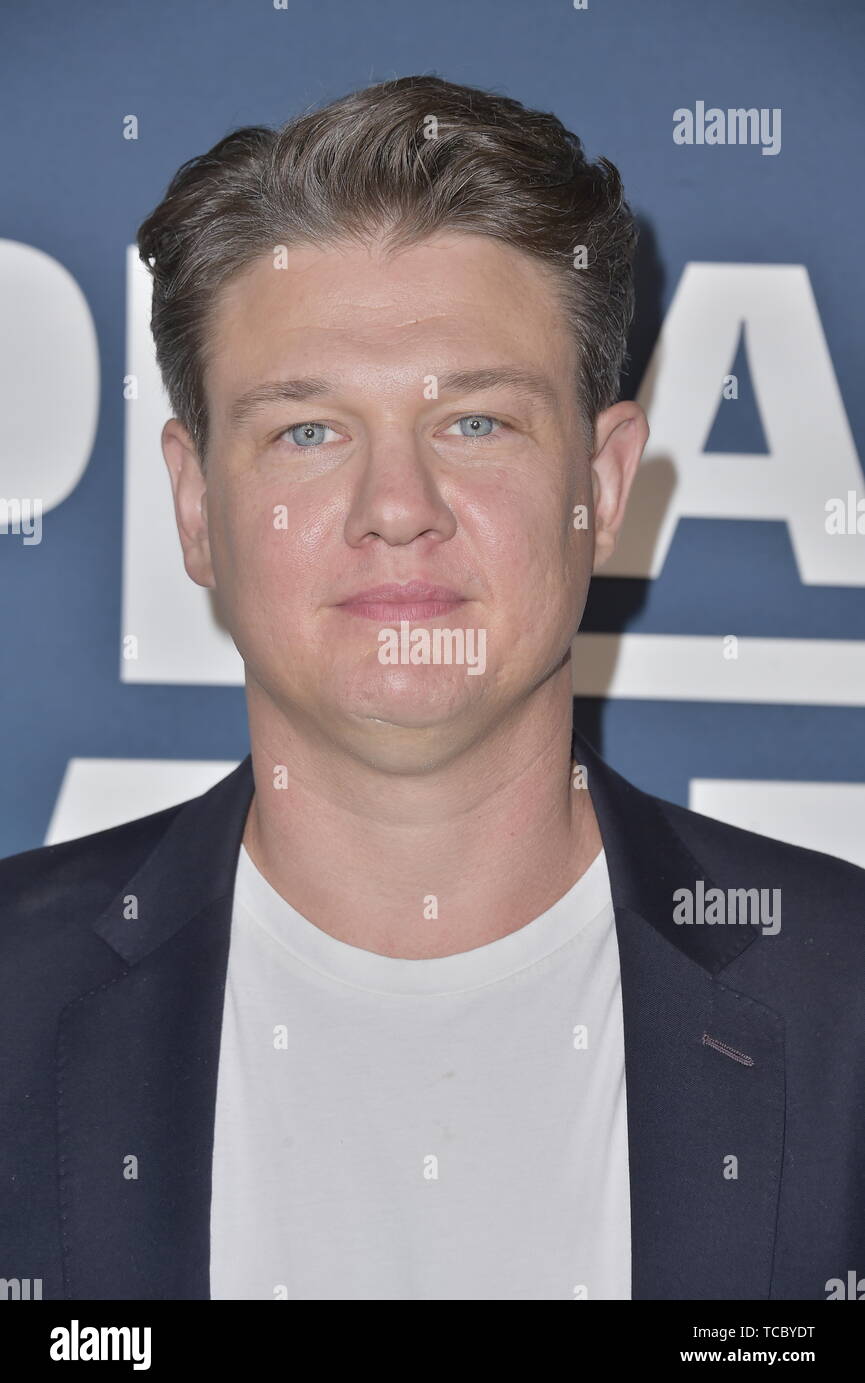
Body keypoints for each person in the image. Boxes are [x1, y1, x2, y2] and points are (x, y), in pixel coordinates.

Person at [1, 75, 863, 1302]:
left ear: (604, 486)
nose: (395, 509)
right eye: (308, 430)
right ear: (196, 506)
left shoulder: (847, 1016)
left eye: (474, 423)